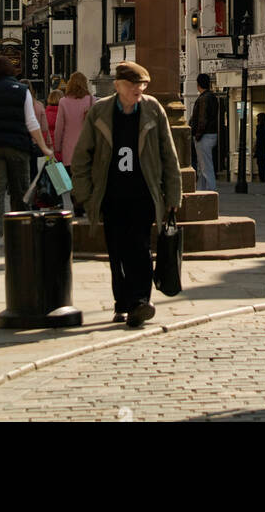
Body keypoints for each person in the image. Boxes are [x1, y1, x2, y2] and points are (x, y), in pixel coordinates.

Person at [71, 61, 183, 328]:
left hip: (144, 193)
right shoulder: (100, 111)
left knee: (141, 248)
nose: (138, 90)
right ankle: (122, 303)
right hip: (111, 195)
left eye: (142, 85)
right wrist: (86, 196)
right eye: (133, 85)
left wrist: (173, 195)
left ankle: (140, 302)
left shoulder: (153, 110)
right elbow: (81, 158)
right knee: (117, 251)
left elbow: (169, 154)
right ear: (118, 86)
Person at [0, 56, 51, 248]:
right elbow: (31, 122)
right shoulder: (22, 91)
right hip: (17, 146)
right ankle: (20, 230)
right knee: (20, 190)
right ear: (12, 72)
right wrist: (43, 146)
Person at [53, 72, 95, 165]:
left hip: (69, 150)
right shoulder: (93, 100)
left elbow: (59, 128)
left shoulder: (63, 102)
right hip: (88, 149)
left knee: (70, 178)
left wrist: (57, 148)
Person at [188, 73, 219, 192]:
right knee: (203, 166)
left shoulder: (203, 99)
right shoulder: (212, 97)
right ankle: (201, 189)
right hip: (211, 134)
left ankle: (211, 190)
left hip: (204, 135)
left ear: (198, 84)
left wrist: (197, 135)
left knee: (205, 166)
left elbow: (202, 119)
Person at [22, 82, 51, 182]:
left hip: (20, 143)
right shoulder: (39, 105)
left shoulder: (16, 106)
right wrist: (47, 144)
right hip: (36, 144)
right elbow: (44, 127)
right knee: (35, 173)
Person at [254, 110, 265, 183]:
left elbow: (258, 138)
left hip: (261, 147)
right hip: (263, 147)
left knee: (260, 164)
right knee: (262, 164)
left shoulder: (260, 127)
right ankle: (263, 177)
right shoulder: (264, 127)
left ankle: (262, 178)